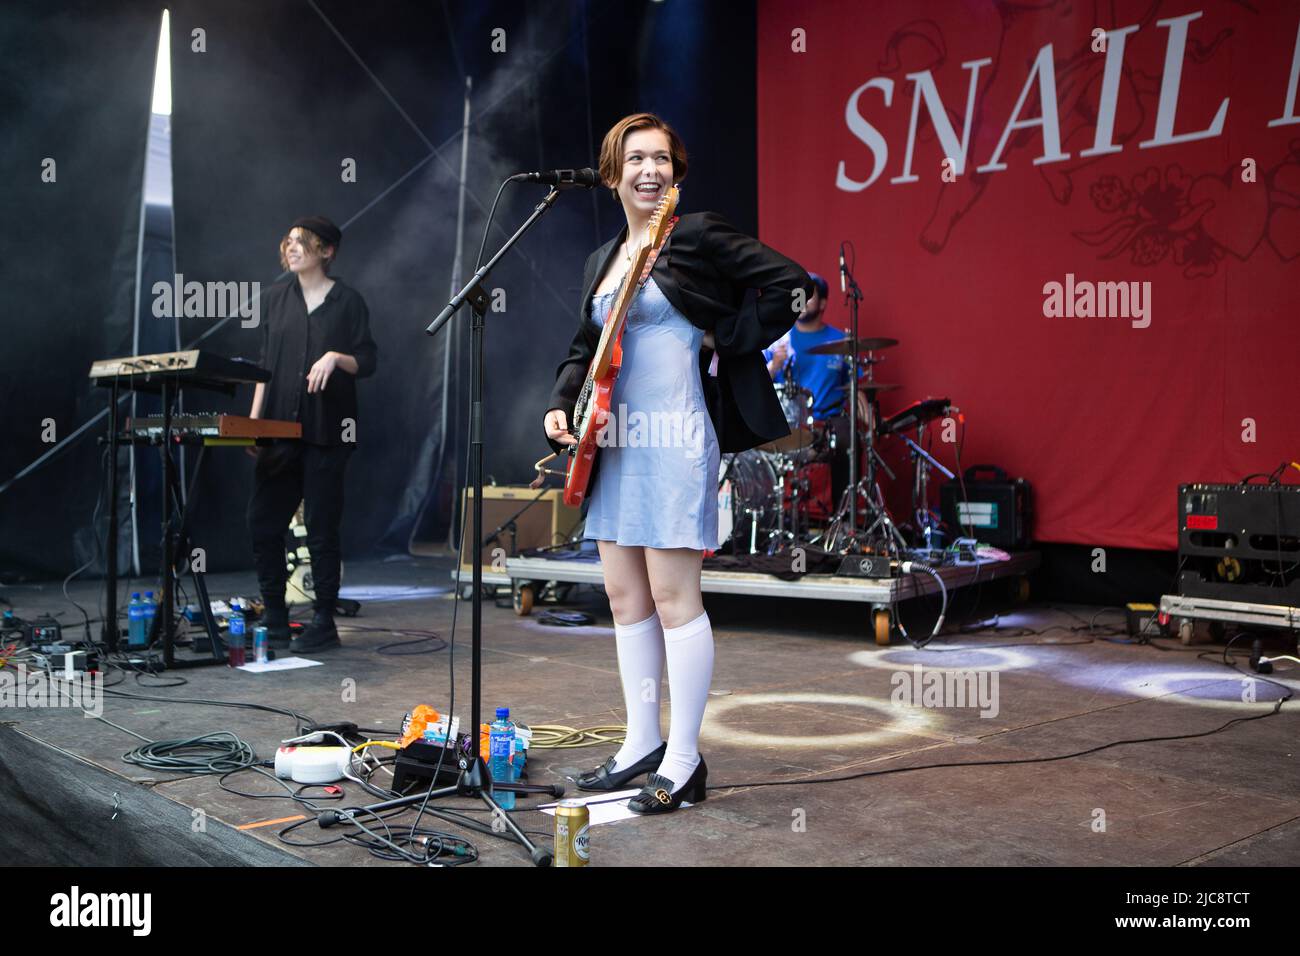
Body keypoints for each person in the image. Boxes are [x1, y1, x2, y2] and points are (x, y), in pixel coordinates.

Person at [543, 113, 812, 813]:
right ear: (612, 172)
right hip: (616, 441)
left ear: (676, 171)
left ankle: (686, 760)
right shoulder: (601, 257)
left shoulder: (694, 235)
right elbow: (584, 344)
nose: (649, 170)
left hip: (676, 436)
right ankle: (640, 744)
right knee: (625, 600)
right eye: (635, 159)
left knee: (672, 600)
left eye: (661, 158)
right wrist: (560, 401)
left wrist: (729, 336)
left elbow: (790, 283)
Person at [246, 216, 377, 654]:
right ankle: (276, 618)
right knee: (264, 524)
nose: (292, 248)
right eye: (288, 241)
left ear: (326, 251)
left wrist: (336, 357)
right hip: (279, 432)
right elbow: (264, 364)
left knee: (322, 529)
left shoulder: (348, 302)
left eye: (302, 242)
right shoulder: (273, 298)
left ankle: (323, 622)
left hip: (327, 433)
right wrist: (253, 423)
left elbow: (368, 360)